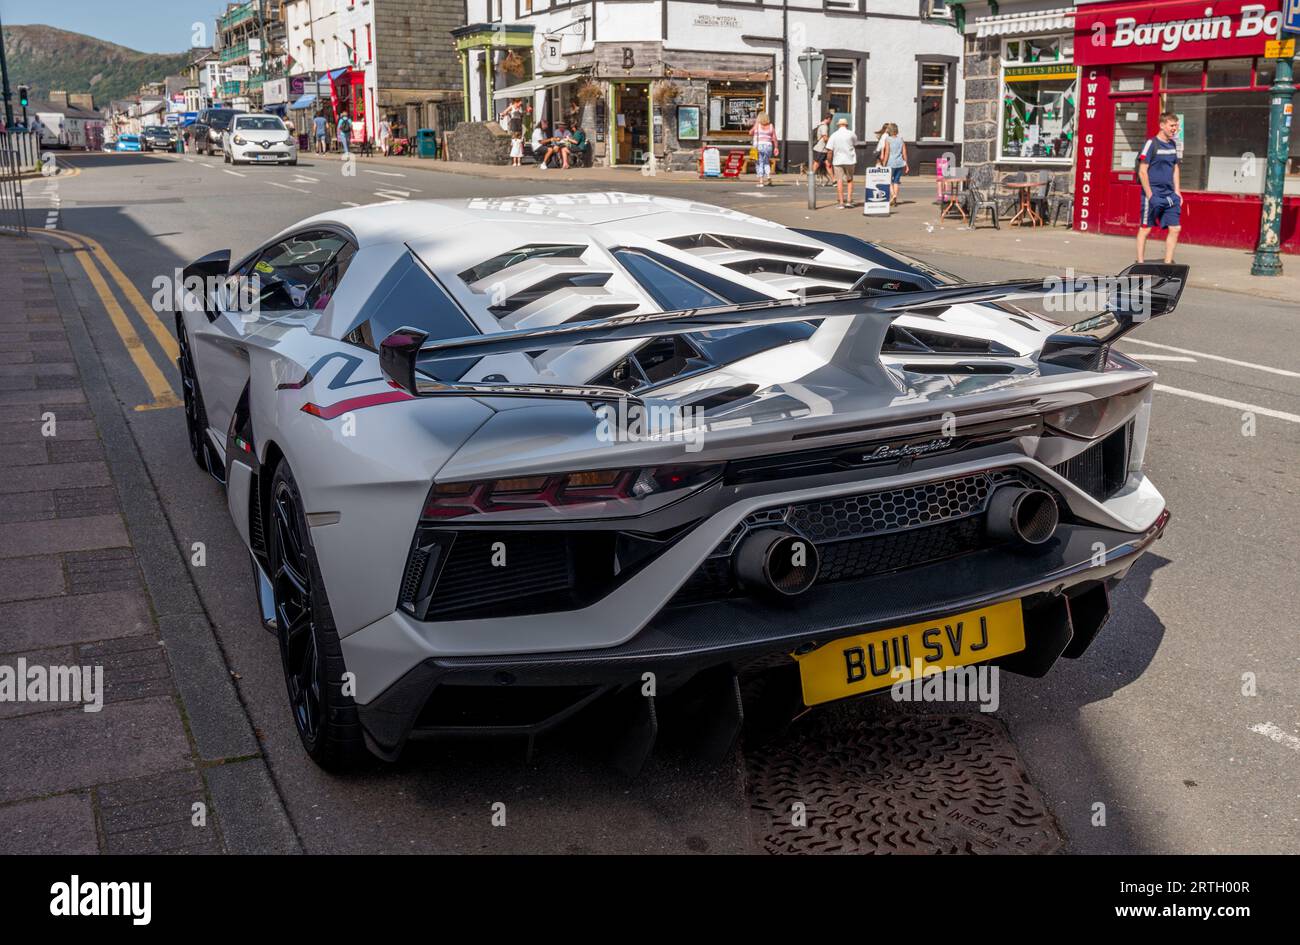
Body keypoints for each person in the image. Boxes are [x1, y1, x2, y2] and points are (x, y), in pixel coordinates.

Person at [1136, 112, 1183, 264]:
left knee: (1175, 228)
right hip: (1153, 194)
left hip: (1169, 194)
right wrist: (1150, 195)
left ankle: (1168, 263)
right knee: (1146, 229)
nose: (1174, 129)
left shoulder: (1173, 144)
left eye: (1176, 126)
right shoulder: (1151, 144)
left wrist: (1177, 192)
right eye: (1172, 125)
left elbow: (1175, 168)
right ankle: (1140, 263)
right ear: (1162, 125)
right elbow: (1142, 171)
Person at [827, 117, 858, 209]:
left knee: (839, 180)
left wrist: (829, 161)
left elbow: (829, 150)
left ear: (838, 125)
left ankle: (841, 202)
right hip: (850, 160)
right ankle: (849, 201)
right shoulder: (851, 134)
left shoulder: (834, 135)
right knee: (849, 180)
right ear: (846, 125)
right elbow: (855, 143)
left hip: (838, 160)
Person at [880, 122, 908, 207]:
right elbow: (904, 152)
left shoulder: (888, 139)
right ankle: (894, 200)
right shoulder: (901, 139)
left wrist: (884, 164)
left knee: (889, 181)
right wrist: (906, 163)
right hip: (900, 163)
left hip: (890, 163)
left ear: (890, 130)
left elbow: (887, 152)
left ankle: (893, 195)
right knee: (896, 181)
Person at [750, 112, 778, 187]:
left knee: (759, 163)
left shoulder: (757, 125)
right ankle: (768, 176)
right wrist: (776, 147)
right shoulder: (771, 126)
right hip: (768, 146)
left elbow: (750, 133)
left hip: (758, 146)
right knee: (766, 162)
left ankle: (761, 181)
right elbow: (774, 138)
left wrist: (755, 124)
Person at [811, 111, 833, 185]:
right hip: (821, 149)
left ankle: (834, 180)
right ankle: (810, 179)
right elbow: (825, 138)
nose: (831, 122)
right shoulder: (824, 126)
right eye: (831, 120)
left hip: (823, 149)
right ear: (829, 119)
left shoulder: (820, 125)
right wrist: (832, 141)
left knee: (828, 164)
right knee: (816, 164)